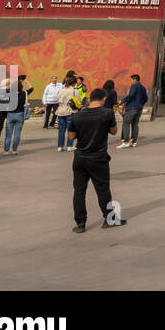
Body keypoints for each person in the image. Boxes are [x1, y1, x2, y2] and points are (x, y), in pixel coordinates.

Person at [67, 88, 125, 232]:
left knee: (79, 191)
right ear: (103, 99)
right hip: (98, 157)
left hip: (80, 157)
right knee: (103, 189)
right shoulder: (107, 113)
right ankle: (109, 219)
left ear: (89, 99)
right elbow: (114, 131)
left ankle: (80, 224)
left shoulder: (78, 115)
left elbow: (71, 137)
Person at [1, 74, 32, 155]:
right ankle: (14, 150)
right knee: (17, 133)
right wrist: (26, 81)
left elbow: (2, 88)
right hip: (20, 115)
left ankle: (6, 150)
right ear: (21, 86)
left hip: (10, 115)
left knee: (8, 134)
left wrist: (10, 82)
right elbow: (32, 88)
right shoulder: (24, 93)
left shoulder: (9, 93)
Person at [117, 74, 149, 148]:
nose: (130, 81)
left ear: (135, 80)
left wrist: (122, 101)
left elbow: (130, 96)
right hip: (139, 109)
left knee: (126, 123)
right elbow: (146, 99)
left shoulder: (134, 86)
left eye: (131, 80)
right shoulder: (143, 88)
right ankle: (134, 141)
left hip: (132, 108)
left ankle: (126, 141)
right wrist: (140, 104)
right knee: (135, 124)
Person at [54, 75, 79, 151]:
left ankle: (60, 146)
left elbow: (57, 99)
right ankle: (69, 146)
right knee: (70, 130)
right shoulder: (74, 91)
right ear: (74, 83)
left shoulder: (61, 90)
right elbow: (79, 100)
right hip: (70, 111)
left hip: (60, 111)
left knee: (61, 130)